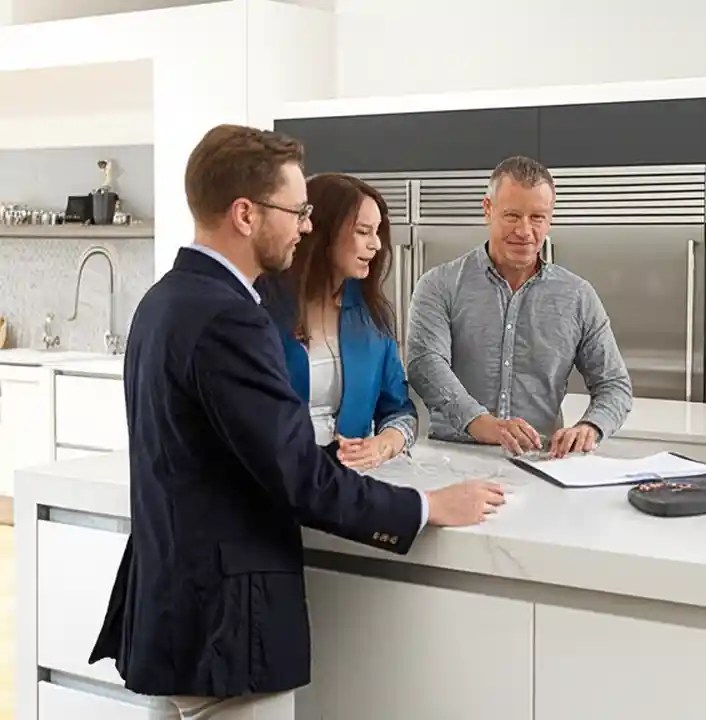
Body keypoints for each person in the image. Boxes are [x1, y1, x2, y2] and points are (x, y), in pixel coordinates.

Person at [87, 124, 506, 719]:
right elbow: (298, 476)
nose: (305, 226)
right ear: (245, 214)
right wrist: (427, 508)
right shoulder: (233, 319)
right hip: (227, 626)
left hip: (173, 613)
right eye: (296, 210)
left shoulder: (165, 300)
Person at [405, 155, 633, 459]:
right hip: (452, 456)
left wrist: (591, 427)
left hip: (539, 461)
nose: (525, 231)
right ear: (488, 209)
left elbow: (614, 384)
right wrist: (482, 423)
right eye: (512, 215)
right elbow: (425, 366)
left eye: (537, 217)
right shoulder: (439, 285)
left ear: (550, 217)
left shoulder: (578, 296)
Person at [257, 172, 415, 472]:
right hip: (273, 484)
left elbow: (399, 410)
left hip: (343, 486)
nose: (376, 245)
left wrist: (385, 443)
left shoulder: (370, 314)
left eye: (377, 232)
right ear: (322, 233)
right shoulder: (261, 306)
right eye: (363, 231)